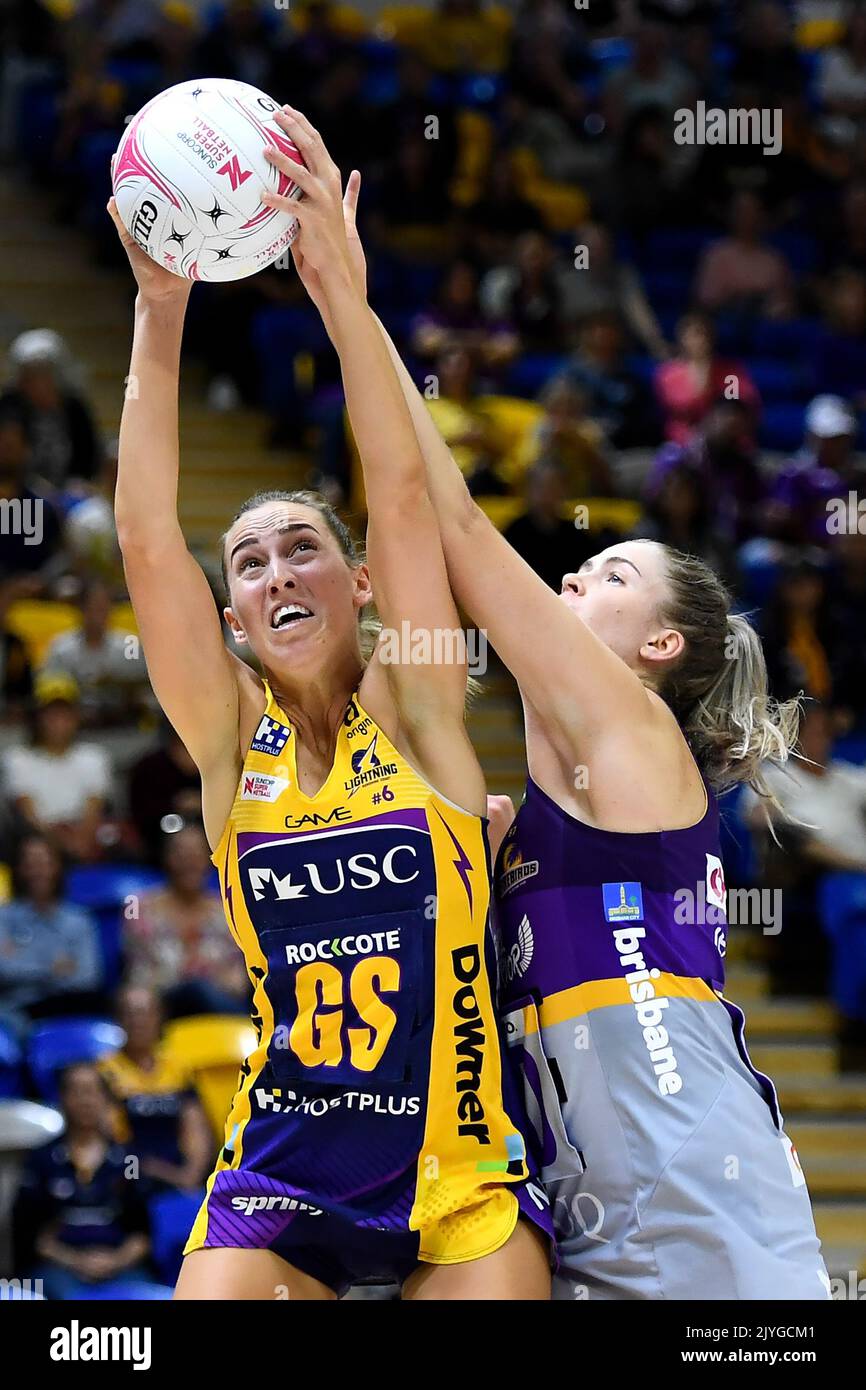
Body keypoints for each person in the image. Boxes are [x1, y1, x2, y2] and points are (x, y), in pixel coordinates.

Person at [332, 170, 831, 1299]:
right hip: (582, 1180)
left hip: (683, 1165)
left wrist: (347, 300)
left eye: (607, 573)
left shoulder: (636, 731)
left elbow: (450, 521)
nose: (570, 571)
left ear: (657, 649)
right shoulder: (541, 807)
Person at [106, 112, 552, 1303]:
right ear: (234, 619)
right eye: (247, 566)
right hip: (285, 1175)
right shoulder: (222, 740)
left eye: (300, 549)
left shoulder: (416, 703)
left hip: (458, 1181)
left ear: (356, 588)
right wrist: (159, 308)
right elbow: (148, 543)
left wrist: (341, 296)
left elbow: (403, 497)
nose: (273, 575)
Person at [13, 1061, 152, 1300]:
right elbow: (30, 1235)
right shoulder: (42, 1159)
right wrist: (77, 1261)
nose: (84, 1100)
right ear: (62, 1099)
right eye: (75, 1091)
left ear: (106, 1099)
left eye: (91, 1091)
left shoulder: (129, 1161)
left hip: (121, 1266)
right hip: (59, 1268)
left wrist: (115, 1261)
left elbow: (142, 1230)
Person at [124, 825, 250, 1017]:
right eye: (181, 854)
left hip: (219, 1010)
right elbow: (138, 978)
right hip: (162, 1009)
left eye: (196, 854)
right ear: (166, 858)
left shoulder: (228, 908)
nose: (189, 863)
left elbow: (237, 982)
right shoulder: (138, 908)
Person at [99, 984, 213, 1193]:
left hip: (179, 1175)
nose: (138, 1021)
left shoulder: (179, 1068)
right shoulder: (106, 1071)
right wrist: (146, 1172)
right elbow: (110, 1137)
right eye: (129, 1013)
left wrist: (190, 1175)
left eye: (145, 1013)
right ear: (119, 1020)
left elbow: (196, 1129)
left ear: (159, 1017)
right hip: (129, 1173)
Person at [1, 671, 111, 861]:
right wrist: (60, 843)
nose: (58, 721)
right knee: (35, 852)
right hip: (37, 837)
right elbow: (28, 813)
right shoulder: (17, 758)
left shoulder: (93, 757)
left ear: (76, 717)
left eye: (65, 713)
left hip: (84, 837)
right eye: (50, 713)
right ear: (37, 717)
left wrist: (80, 843)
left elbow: (94, 809)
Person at [0, 833, 103, 1037]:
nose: (38, 871)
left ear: (57, 867)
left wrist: (24, 960)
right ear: (19, 869)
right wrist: (55, 968)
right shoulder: (3, 917)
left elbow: (87, 977)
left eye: (45, 862)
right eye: (31, 863)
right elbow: (5, 970)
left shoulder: (80, 920)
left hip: (68, 1006)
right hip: (18, 1010)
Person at [40, 577, 149, 727]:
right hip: (76, 720)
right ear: (82, 610)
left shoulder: (129, 642)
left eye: (104, 608)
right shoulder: (61, 647)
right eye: (94, 608)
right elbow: (48, 687)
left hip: (123, 717)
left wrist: (117, 680)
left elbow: (143, 680)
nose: (99, 615)